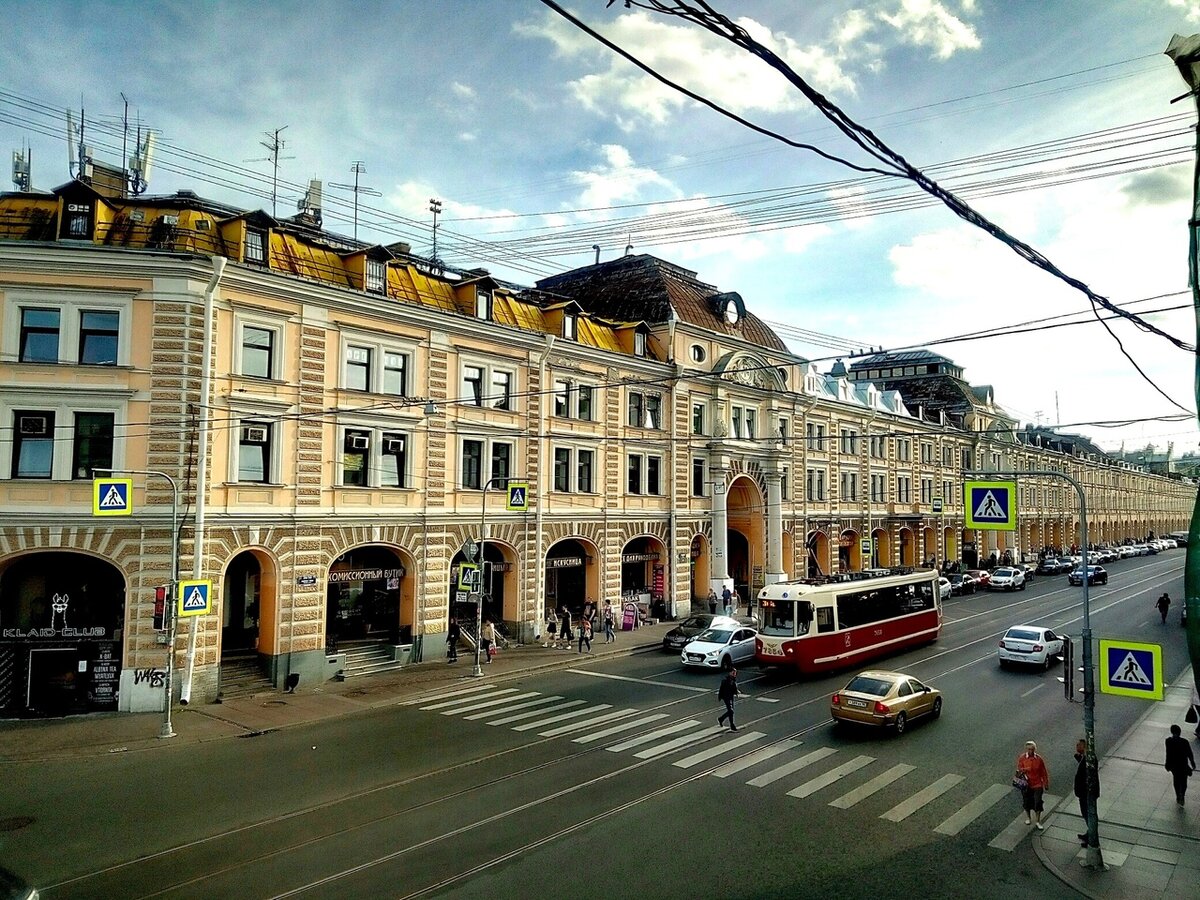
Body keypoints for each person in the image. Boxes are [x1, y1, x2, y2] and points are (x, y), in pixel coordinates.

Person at [1016, 740, 1050, 829]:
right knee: (1027, 801)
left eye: (1032, 749)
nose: (1030, 751)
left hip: (1037, 784)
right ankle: (1028, 817)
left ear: (1035, 749)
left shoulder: (1039, 759)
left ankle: (1038, 821)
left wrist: (1046, 783)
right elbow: (1019, 770)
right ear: (1026, 749)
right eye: (1029, 749)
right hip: (1026, 784)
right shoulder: (1022, 758)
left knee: (1038, 802)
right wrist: (1023, 770)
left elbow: (1043, 772)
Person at [1073, 738, 1100, 846]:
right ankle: (1090, 834)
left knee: (1088, 814)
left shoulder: (1089, 759)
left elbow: (1087, 774)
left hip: (1087, 793)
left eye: (1078, 745)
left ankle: (1092, 838)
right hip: (1085, 792)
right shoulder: (1086, 758)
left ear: (1083, 747)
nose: (1076, 747)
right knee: (1087, 814)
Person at [1165, 724, 1196, 806]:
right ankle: (1182, 794)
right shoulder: (1184, 742)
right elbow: (1189, 753)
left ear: (1172, 732)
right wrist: (1192, 763)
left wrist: (1167, 764)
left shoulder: (1168, 741)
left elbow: (1168, 754)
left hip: (1174, 765)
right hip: (1183, 765)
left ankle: (1178, 795)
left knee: (1176, 780)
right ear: (1180, 732)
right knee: (1184, 781)